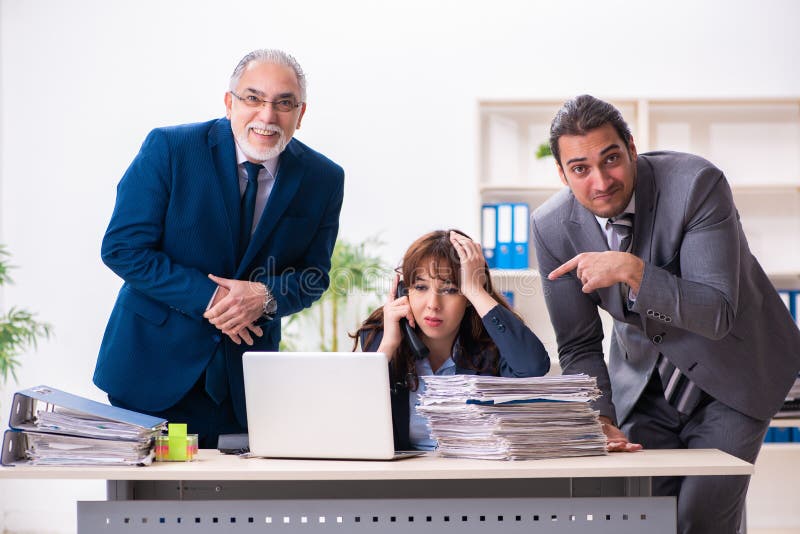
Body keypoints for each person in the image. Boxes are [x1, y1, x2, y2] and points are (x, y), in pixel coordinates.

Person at [532, 94, 800, 533]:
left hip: (735, 371)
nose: (600, 181)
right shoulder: (550, 227)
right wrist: (600, 419)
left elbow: (717, 312)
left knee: (702, 517)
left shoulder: (695, 184)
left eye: (611, 158)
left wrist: (633, 271)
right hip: (643, 384)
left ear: (632, 148)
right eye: (580, 168)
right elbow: (578, 344)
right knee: (646, 516)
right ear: (562, 174)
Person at [94, 49, 344, 448]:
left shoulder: (324, 178)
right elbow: (124, 248)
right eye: (253, 98)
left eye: (284, 103)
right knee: (140, 503)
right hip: (150, 371)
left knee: (235, 505)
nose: (267, 115)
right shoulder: (170, 148)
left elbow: (313, 277)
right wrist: (213, 297)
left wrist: (264, 296)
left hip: (245, 384)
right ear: (229, 102)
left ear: (301, 113)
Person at [353, 229, 550, 450]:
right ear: (403, 291)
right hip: (402, 477)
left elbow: (533, 367)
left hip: (474, 474)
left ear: (467, 298)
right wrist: (388, 346)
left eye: (450, 289)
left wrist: (475, 289)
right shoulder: (382, 337)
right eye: (420, 287)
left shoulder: (492, 342)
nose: (433, 304)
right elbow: (354, 417)